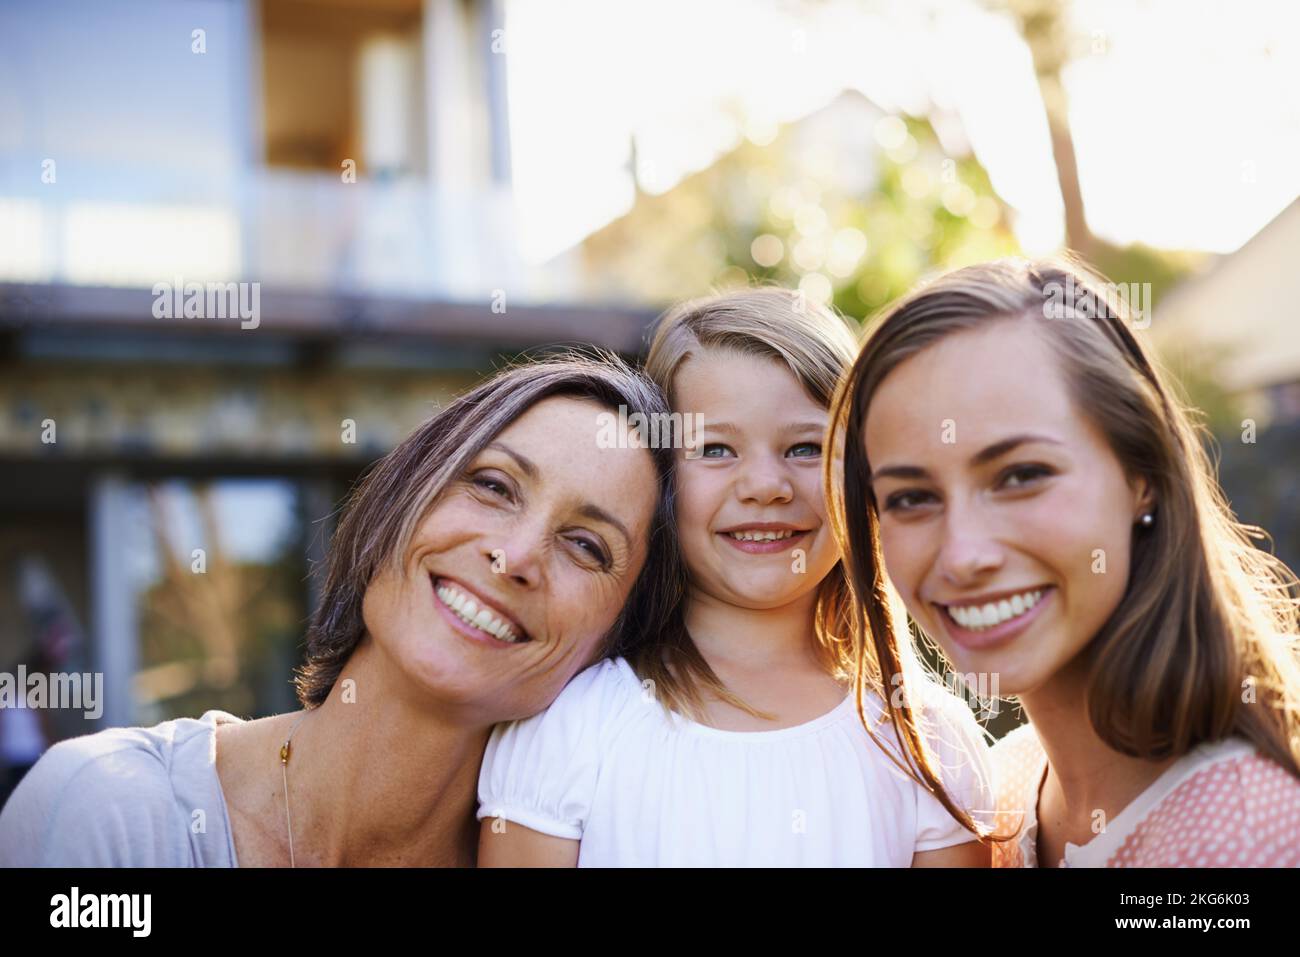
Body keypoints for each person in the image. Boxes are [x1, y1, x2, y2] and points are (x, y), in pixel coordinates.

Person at [0, 352, 681, 867]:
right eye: (494, 485)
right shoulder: (107, 813)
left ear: (613, 642)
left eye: (586, 546)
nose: (515, 554)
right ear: (403, 499)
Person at [477, 287, 996, 866]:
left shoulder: (925, 740)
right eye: (717, 449)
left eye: (805, 447)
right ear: (661, 481)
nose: (765, 485)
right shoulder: (570, 725)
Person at [829, 256, 1300, 867]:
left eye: (1022, 475)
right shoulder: (1005, 789)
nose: (965, 555)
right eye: (911, 497)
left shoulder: (1248, 837)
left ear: (1142, 478)